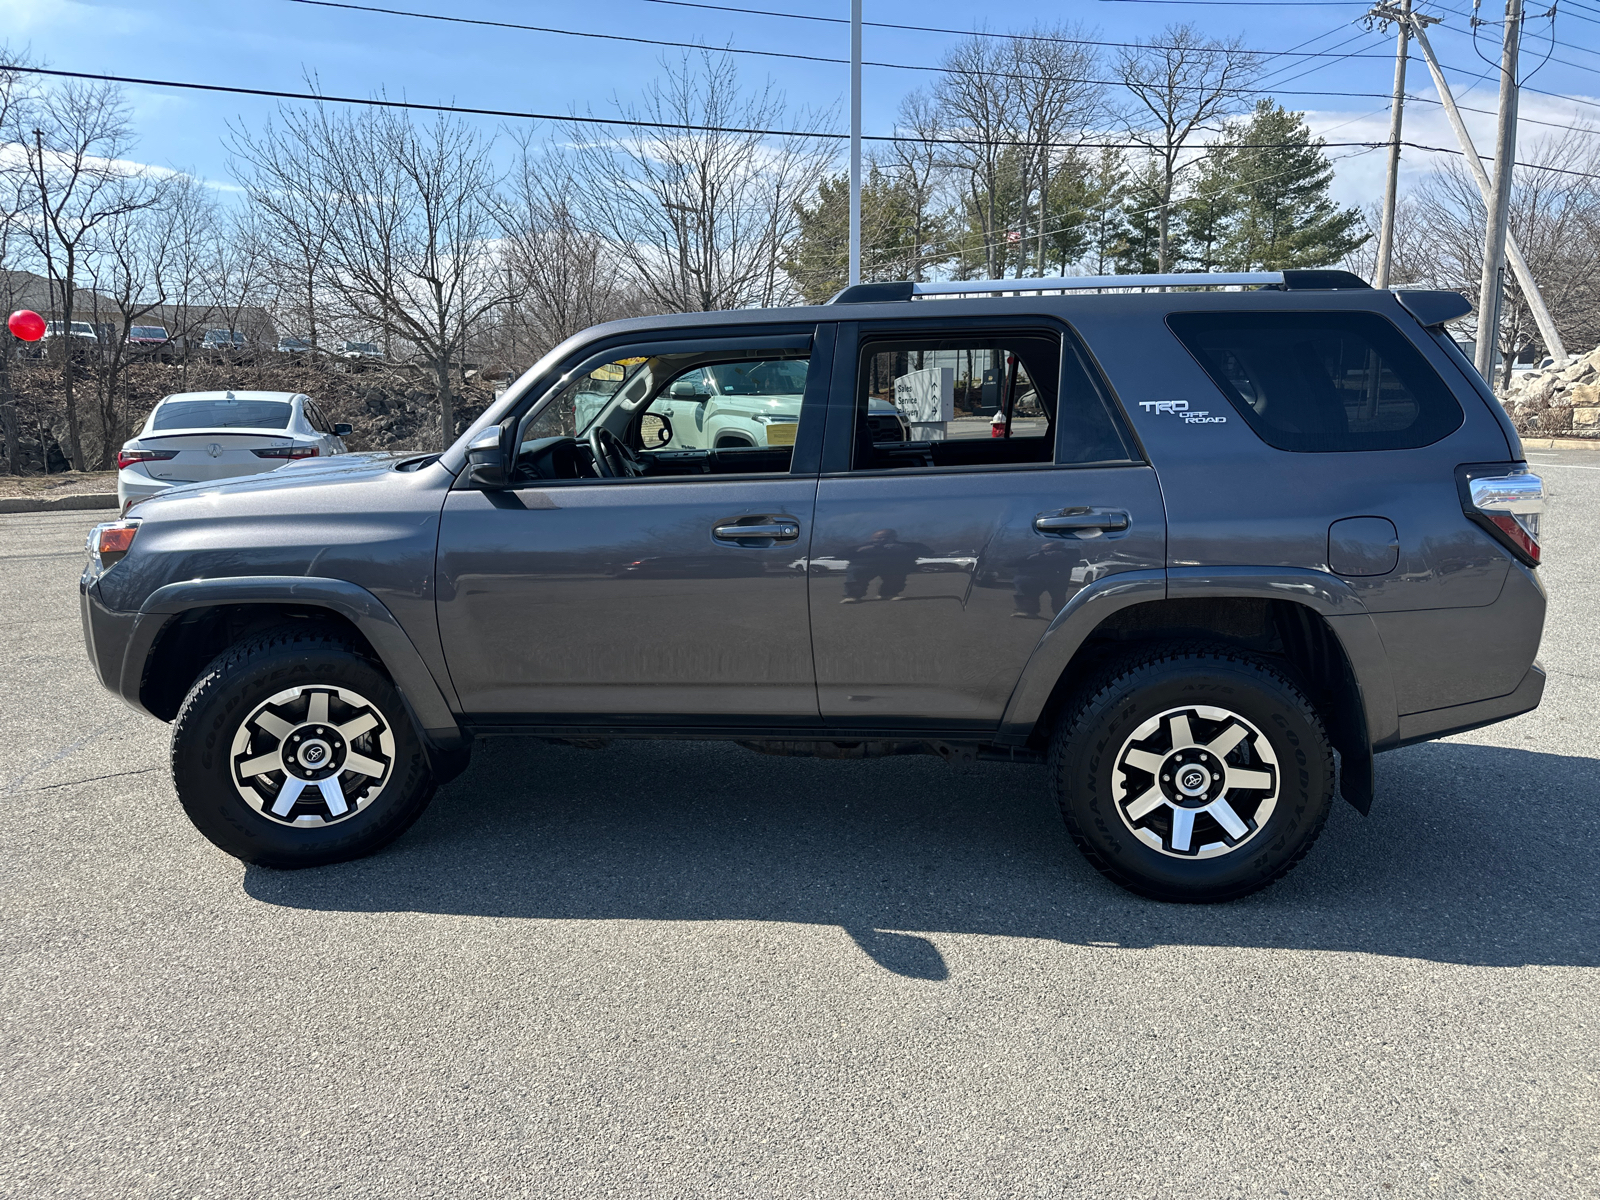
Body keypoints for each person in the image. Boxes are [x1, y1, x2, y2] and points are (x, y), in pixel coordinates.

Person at [840, 528, 930, 603]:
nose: (882, 540)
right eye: (878, 538)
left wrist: (905, 548)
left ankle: (888, 594)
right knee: (856, 575)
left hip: (893, 566)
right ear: (872, 538)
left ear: (894, 537)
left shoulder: (905, 545)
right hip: (864, 566)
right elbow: (839, 555)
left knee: (896, 575)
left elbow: (928, 552)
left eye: (886, 538)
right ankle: (853, 596)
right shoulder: (861, 547)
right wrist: (858, 551)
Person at [1011, 540, 1075, 618]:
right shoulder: (1069, 555)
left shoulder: (1062, 555)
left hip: (1053, 579)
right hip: (1054, 580)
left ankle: (1028, 609)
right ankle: (1061, 614)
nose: (1045, 549)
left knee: (1023, 581)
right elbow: (1011, 563)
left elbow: (1012, 563)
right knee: (1058, 598)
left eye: (1048, 548)